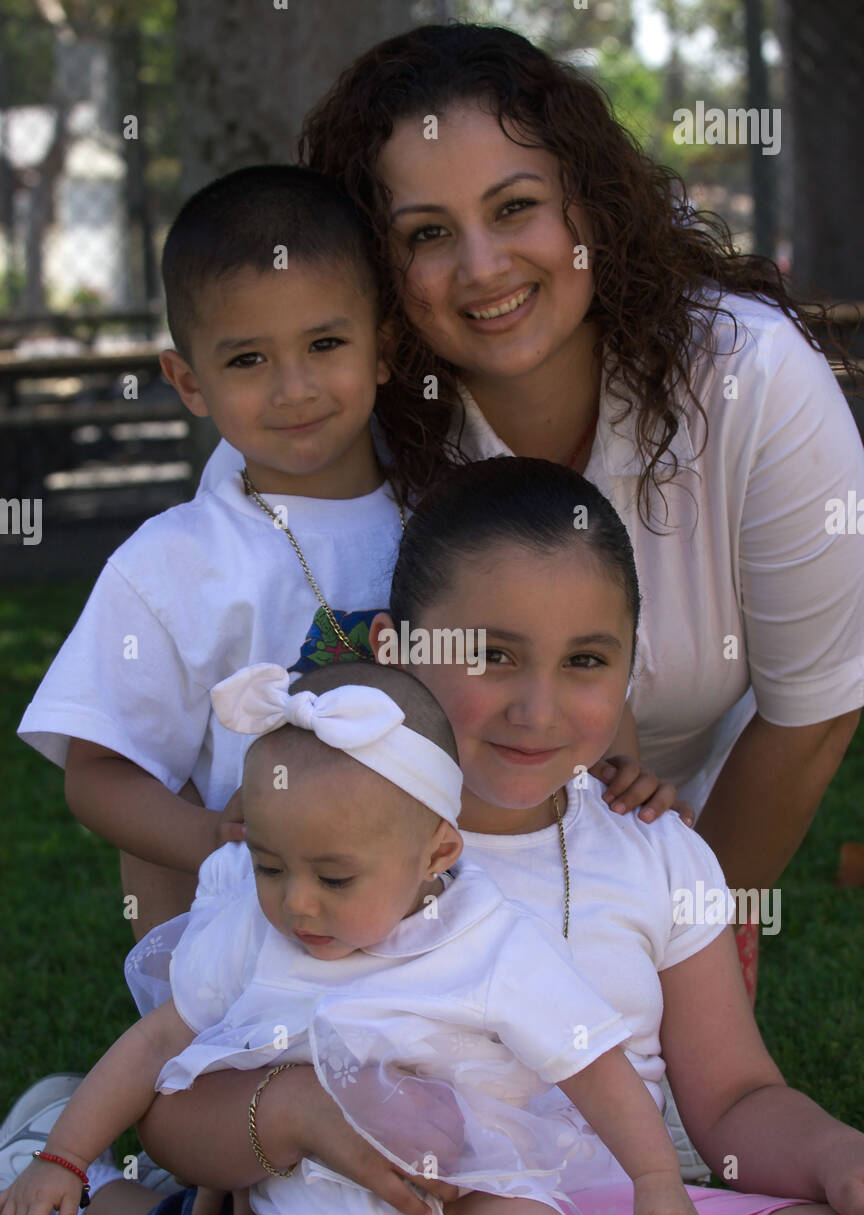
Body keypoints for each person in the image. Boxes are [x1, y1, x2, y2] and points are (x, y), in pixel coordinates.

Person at [198, 22, 864, 1006]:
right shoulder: (321, 431)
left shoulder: (754, 377)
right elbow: (235, 739)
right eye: (426, 233)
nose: (483, 266)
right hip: (396, 894)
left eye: (516, 208)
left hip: (659, 853)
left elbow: (812, 712)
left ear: (586, 203)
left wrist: (667, 949)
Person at [118, 461, 864, 1215]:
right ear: (394, 648)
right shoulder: (313, 855)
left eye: (585, 660)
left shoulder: (655, 852)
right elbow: (170, 1108)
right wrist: (286, 1115)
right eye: (491, 654)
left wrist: (839, 1156)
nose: (537, 710)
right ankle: (85, 1202)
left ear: (628, 670)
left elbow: (734, 1098)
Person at [15, 160, 681, 944]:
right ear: (188, 381)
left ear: (382, 349)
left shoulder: (455, 511)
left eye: (325, 343)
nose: (294, 388)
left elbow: (565, 645)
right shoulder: (171, 563)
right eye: (247, 360)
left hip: (469, 918)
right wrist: (216, 844)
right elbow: (100, 770)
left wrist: (614, 767)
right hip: (278, 936)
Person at [0, 663, 716, 1215]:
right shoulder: (252, 932)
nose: (297, 903)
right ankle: (71, 1184)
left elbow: (591, 1059)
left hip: (478, 1205)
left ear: (436, 851)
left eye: (335, 877)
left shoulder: (491, 938)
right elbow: (156, 1039)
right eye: (270, 866)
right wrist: (63, 1155)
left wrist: (654, 1177)